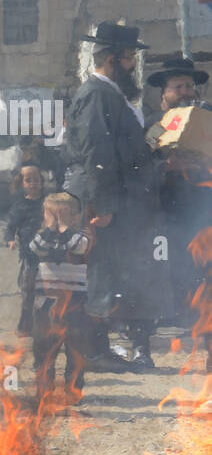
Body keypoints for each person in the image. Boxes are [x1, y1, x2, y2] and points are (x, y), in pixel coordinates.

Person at [63, 20, 170, 370]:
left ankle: (99, 349)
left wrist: (157, 138)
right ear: (111, 59)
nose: (131, 67)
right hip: (101, 204)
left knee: (109, 273)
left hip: (116, 203)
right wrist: (102, 206)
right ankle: (93, 352)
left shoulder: (113, 95)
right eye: (128, 59)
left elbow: (126, 150)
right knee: (99, 274)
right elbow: (97, 155)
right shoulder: (97, 94)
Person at [147, 57, 212, 328]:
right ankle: (171, 314)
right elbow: (143, 159)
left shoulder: (207, 117)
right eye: (178, 87)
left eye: (189, 86)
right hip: (166, 208)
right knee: (168, 262)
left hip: (203, 205)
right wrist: (167, 166)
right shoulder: (156, 123)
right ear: (165, 93)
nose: (185, 92)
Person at [29, 193, 93, 404]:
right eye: (52, 215)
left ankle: (73, 392)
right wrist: (50, 228)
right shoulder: (43, 237)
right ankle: (44, 391)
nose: (57, 220)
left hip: (75, 303)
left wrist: (65, 228)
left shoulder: (81, 236)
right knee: (44, 349)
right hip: (46, 303)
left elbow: (79, 247)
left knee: (76, 351)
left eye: (62, 215)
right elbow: (35, 248)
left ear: (75, 217)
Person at [5, 164, 47, 336]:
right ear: (21, 183)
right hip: (29, 255)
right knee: (28, 290)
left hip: (48, 254)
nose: (33, 183)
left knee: (46, 290)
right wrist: (9, 240)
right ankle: (25, 326)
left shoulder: (48, 202)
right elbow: (10, 227)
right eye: (28, 180)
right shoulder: (19, 206)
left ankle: (45, 325)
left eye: (36, 179)